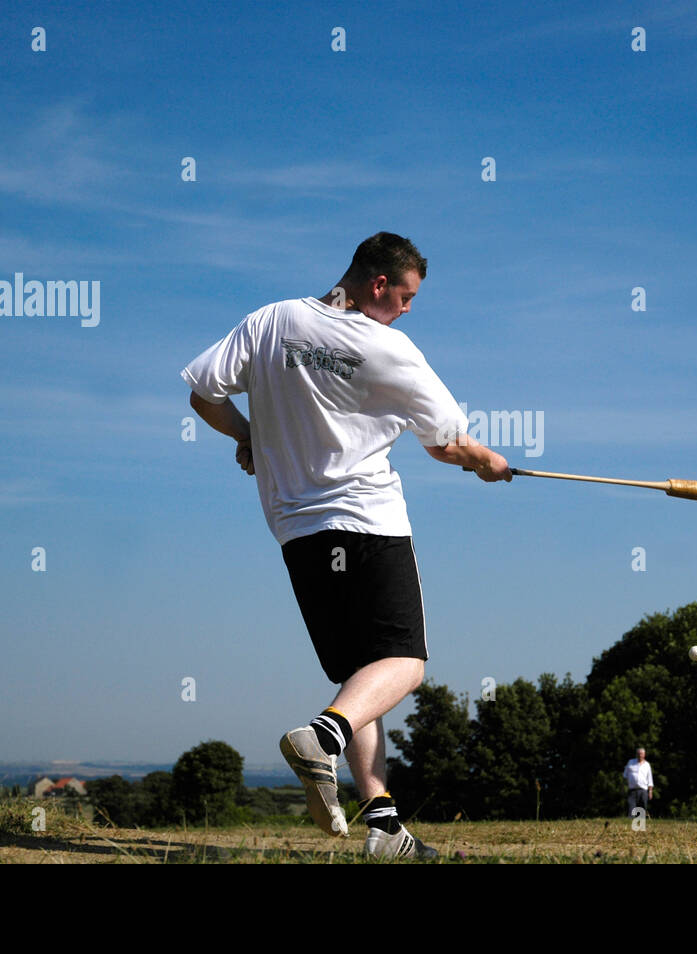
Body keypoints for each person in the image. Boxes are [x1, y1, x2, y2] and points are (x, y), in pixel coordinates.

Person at [182, 232, 511, 859]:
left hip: (297, 533)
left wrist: (251, 436)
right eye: (406, 296)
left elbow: (204, 395)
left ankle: (383, 824)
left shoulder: (272, 320)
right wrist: (486, 461)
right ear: (378, 285)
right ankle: (321, 739)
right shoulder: (391, 350)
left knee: (362, 680)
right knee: (405, 665)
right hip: (368, 524)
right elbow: (446, 442)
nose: (410, 309)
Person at [623, 747, 654, 817]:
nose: (640, 755)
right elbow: (625, 775)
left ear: (644, 755)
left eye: (641, 754)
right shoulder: (630, 762)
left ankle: (641, 824)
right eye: (638, 753)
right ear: (636, 754)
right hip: (632, 790)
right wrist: (624, 787)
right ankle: (630, 823)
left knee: (642, 809)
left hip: (643, 790)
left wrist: (650, 791)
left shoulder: (647, 765)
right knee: (631, 808)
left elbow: (650, 779)